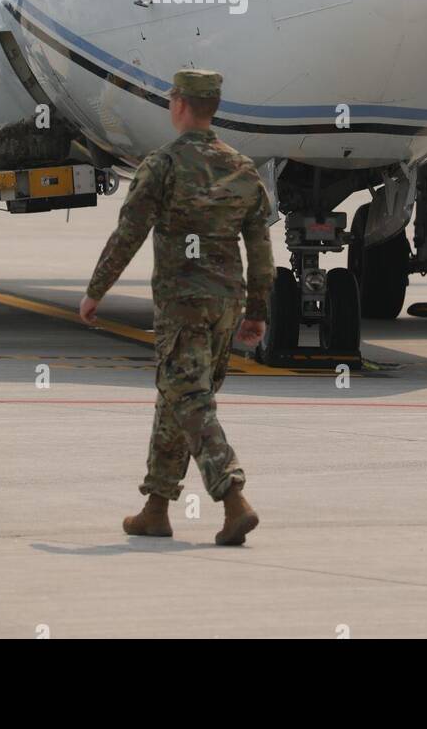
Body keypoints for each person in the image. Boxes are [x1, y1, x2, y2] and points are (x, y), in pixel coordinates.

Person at [79, 69, 275, 545]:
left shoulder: (162, 165)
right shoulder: (242, 168)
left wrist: (96, 290)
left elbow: (129, 232)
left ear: (181, 105)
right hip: (226, 306)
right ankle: (156, 506)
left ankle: (233, 498)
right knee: (178, 399)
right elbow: (262, 247)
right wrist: (258, 310)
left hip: (183, 305)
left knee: (189, 401)